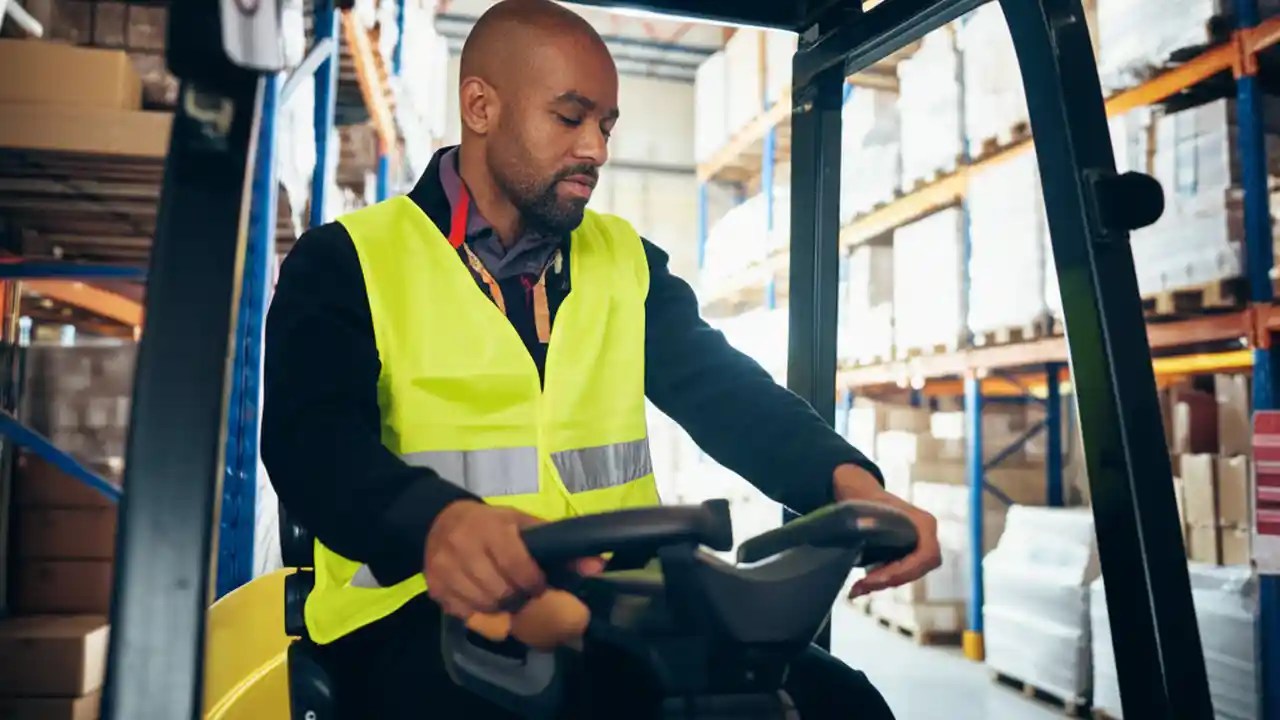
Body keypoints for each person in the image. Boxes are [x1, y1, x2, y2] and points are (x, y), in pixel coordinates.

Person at [261, 0, 942, 717]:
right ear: (480, 106)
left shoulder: (626, 264)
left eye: (607, 126)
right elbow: (312, 443)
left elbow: (727, 394)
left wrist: (846, 481)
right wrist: (435, 522)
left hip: (615, 612)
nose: (596, 149)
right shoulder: (349, 262)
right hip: (420, 618)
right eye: (569, 117)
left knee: (837, 702)